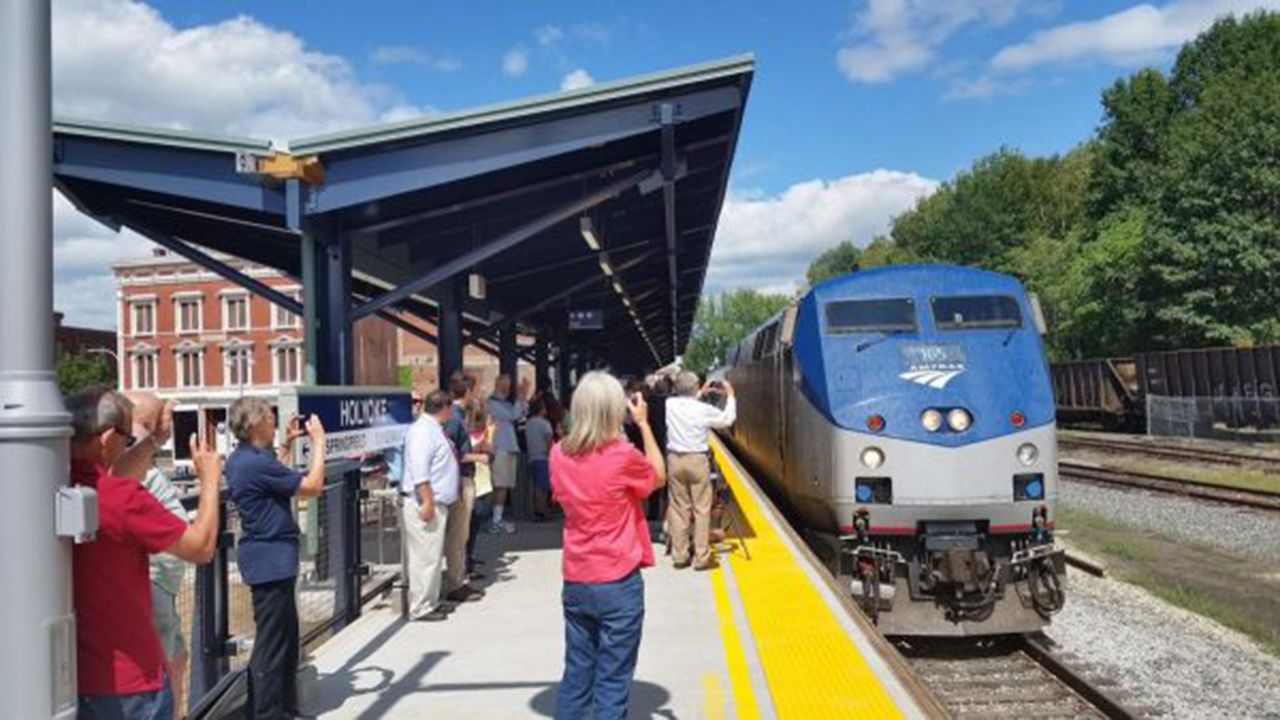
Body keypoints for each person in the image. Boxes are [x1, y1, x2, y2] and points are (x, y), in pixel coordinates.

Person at [69, 387, 222, 720]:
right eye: (128, 441)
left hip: (73, 677)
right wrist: (210, 480)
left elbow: (115, 473)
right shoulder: (121, 499)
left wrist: (152, 441)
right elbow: (201, 547)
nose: (129, 448)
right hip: (130, 688)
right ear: (108, 438)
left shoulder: (57, 484)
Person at [549, 372, 666, 720]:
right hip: (618, 580)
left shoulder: (558, 454)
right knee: (612, 683)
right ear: (615, 410)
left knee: (577, 675)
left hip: (577, 579)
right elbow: (658, 477)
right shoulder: (622, 455)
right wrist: (643, 425)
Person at [224, 397, 327, 720]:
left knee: (284, 638)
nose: (274, 419)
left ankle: (282, 708)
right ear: (255, 424)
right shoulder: (254, 462)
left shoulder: (247, 459)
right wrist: (319, 444)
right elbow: (311, 485)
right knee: (272, 645)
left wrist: (285, 445)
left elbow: (273, 480)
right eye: (270, 416)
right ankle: (268, 713)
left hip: (269, 559)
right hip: (270, 560)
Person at [127, 392, 191, 718]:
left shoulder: (144, 471)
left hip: (162, 586)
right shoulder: (131, 478)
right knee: (165, 666)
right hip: (152, 587)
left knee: (177, 656)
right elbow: (198, 544)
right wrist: (208, 485)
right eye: (149, 423)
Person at [664, 372, 737, 570]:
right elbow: (727, 419)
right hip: (697, 460)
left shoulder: (670, 404)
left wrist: (699, 391)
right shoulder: (703, 409)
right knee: (702, 509)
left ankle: (680, 556)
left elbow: (685, 400)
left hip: (674, 460)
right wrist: (730, 395)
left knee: (680, 509)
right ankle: (702, 557)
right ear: (696, 388)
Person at [401, 390, 461, 621]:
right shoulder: (422, 432)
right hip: (425, 502)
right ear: (444, 408)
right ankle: (421, 607)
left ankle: (431, 601)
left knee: (432, 557)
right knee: (425, 558)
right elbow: (420, 471)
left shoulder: (432, 429)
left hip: (435, 502)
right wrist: (426, 501)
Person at [443, 373, 486, 603]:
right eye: (474, 391)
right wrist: (479, 457)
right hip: (461, 480)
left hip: (458, 479)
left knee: (460, 534)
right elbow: (453, 453)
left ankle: (458, 579)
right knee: (458, 535)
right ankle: (456, 583)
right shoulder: (455, 418)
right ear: (468, 392)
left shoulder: (454, 417)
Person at [486, 374, 530, 534]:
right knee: (500, 484)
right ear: (496, 384)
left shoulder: (504, 403)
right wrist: (521, 397)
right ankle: (495, 520)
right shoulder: (491, 403)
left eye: (508, 386)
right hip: (500, 447)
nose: (506, 389)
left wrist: (522, 398)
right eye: (503, 385)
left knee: (504, 484)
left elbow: (521, 413)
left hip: (508, 446)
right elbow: (513, 415)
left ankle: (498, 518)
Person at [465, 402, 495, 578]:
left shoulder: (480, 433)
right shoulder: (467, 435)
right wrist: (488, 437)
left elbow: (489, 454)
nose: (477, 421)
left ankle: (470, 557)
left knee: (476, 524)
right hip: (473, 483)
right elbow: (470, 451)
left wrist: (489, 437)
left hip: (483, 482)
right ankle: (466, 563)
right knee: (469, 525)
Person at [525, 397, 555, 521]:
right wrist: (550, 454)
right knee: (543, 487)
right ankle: (542, 511)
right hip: (543, 457)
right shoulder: (545, 423)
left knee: (537, 486)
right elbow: (548, 440)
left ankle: (538, 510)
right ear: (542, 409)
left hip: (532, 457)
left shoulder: (529, 423)